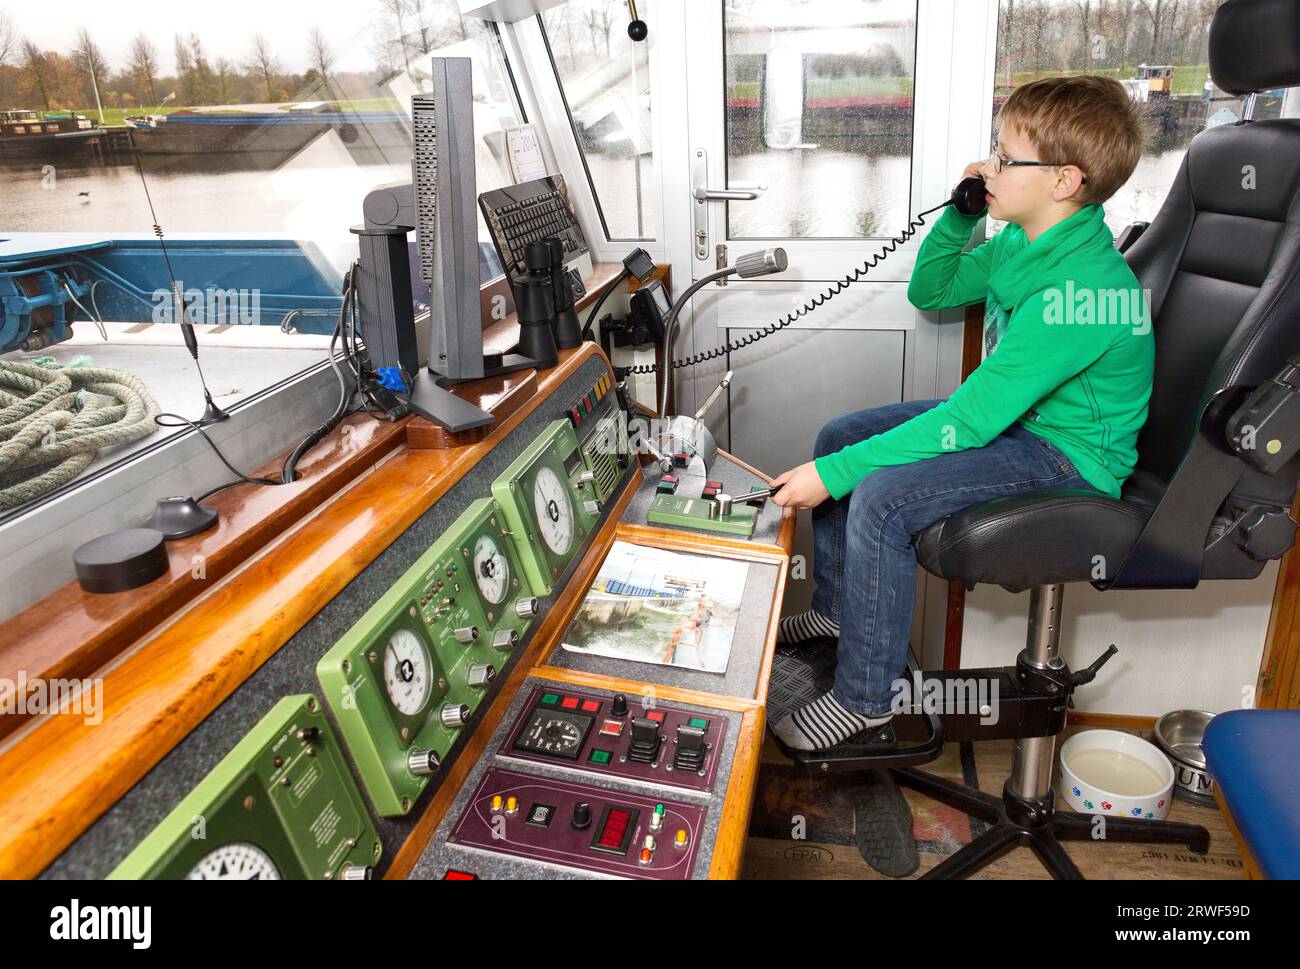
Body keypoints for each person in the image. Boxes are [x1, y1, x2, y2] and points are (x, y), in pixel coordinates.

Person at [768, 75, 1153, 751]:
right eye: (992, 152)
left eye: (1005, 157)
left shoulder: (1085, 287)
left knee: (879, 493)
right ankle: (835, 612)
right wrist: (964, 212)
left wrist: (833, 476)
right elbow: (933, 287)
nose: (989, 167)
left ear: (1065, 180)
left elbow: (971, 421)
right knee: (842, 435)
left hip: (1071, 457)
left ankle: (866, 700)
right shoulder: (1021, 242)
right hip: (1024, 421)